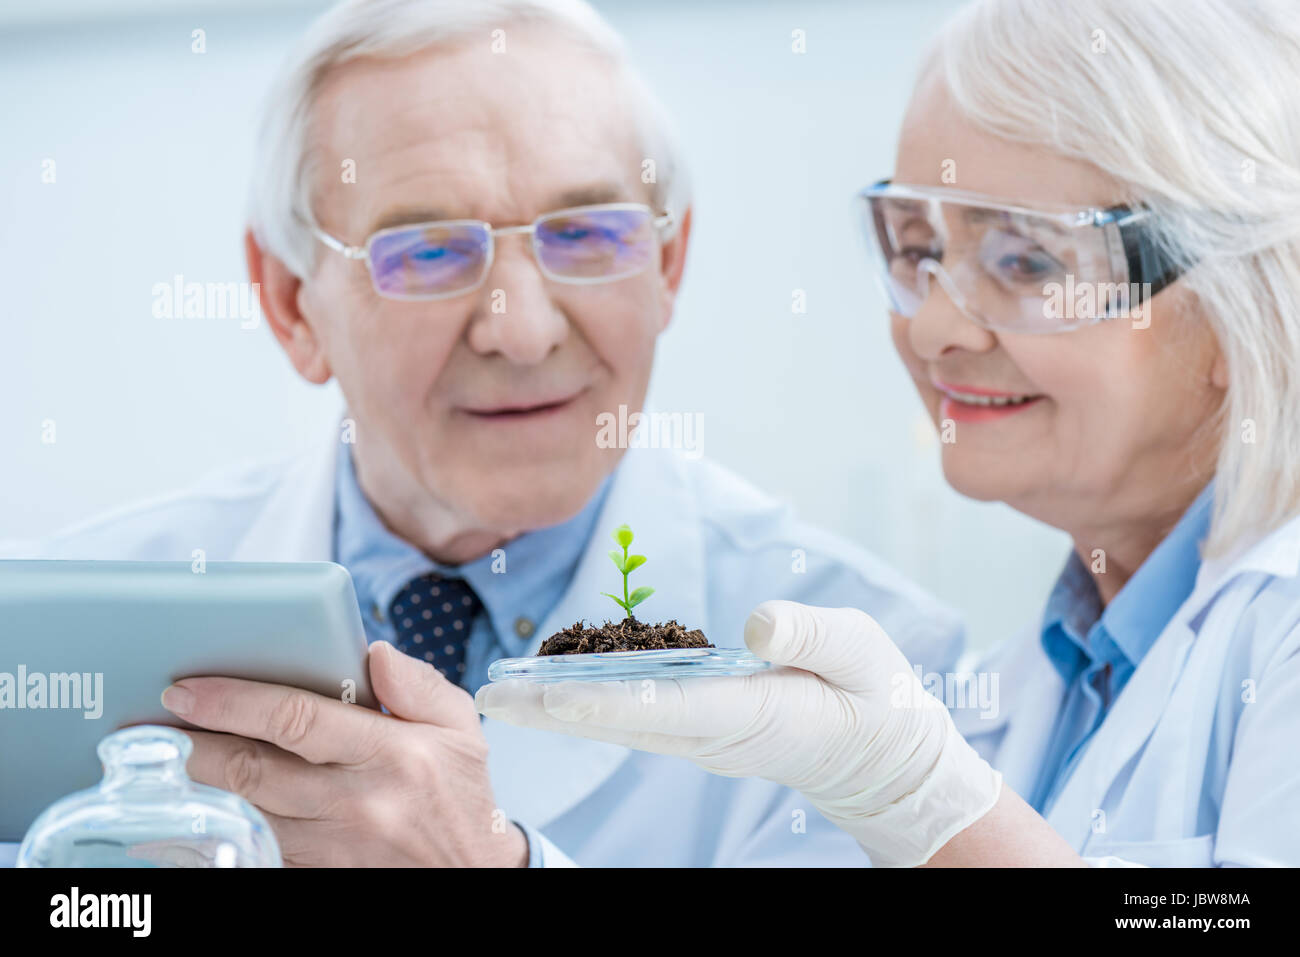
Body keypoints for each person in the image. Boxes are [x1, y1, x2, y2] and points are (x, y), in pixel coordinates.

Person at [0, 0, 963, 868]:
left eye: (586, 234)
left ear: (669, 262)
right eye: (427, 250)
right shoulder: (48, 644)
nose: (522, 328)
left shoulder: (875, 687)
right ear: (291, 305)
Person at [479, 0, 1300, 867]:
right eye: (916, 247)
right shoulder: (1045, 675)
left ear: (1240, 303)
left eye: (1026, 260)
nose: (934, 325)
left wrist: (924, 803)